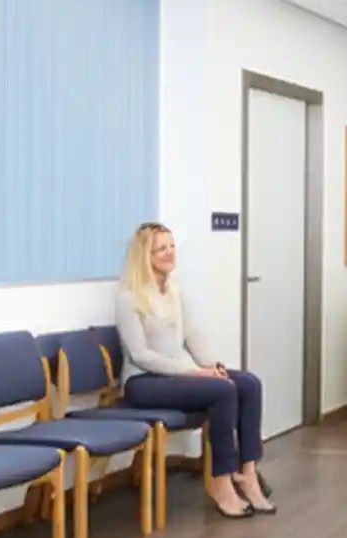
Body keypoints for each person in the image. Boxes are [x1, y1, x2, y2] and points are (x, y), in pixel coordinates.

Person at [115, 222, 276, 519]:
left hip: (178, 376)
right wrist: (194, 374)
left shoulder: (175, 291)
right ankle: (221, 481)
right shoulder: (129, 298)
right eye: (161, 248)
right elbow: (141, 355)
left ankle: (248, 472)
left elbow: (193, 335)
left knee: (247, 383)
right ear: (145, 256)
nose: (169, 253)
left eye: (172, 246)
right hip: (143, 382)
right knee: (222, 390)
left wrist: (212, 365)